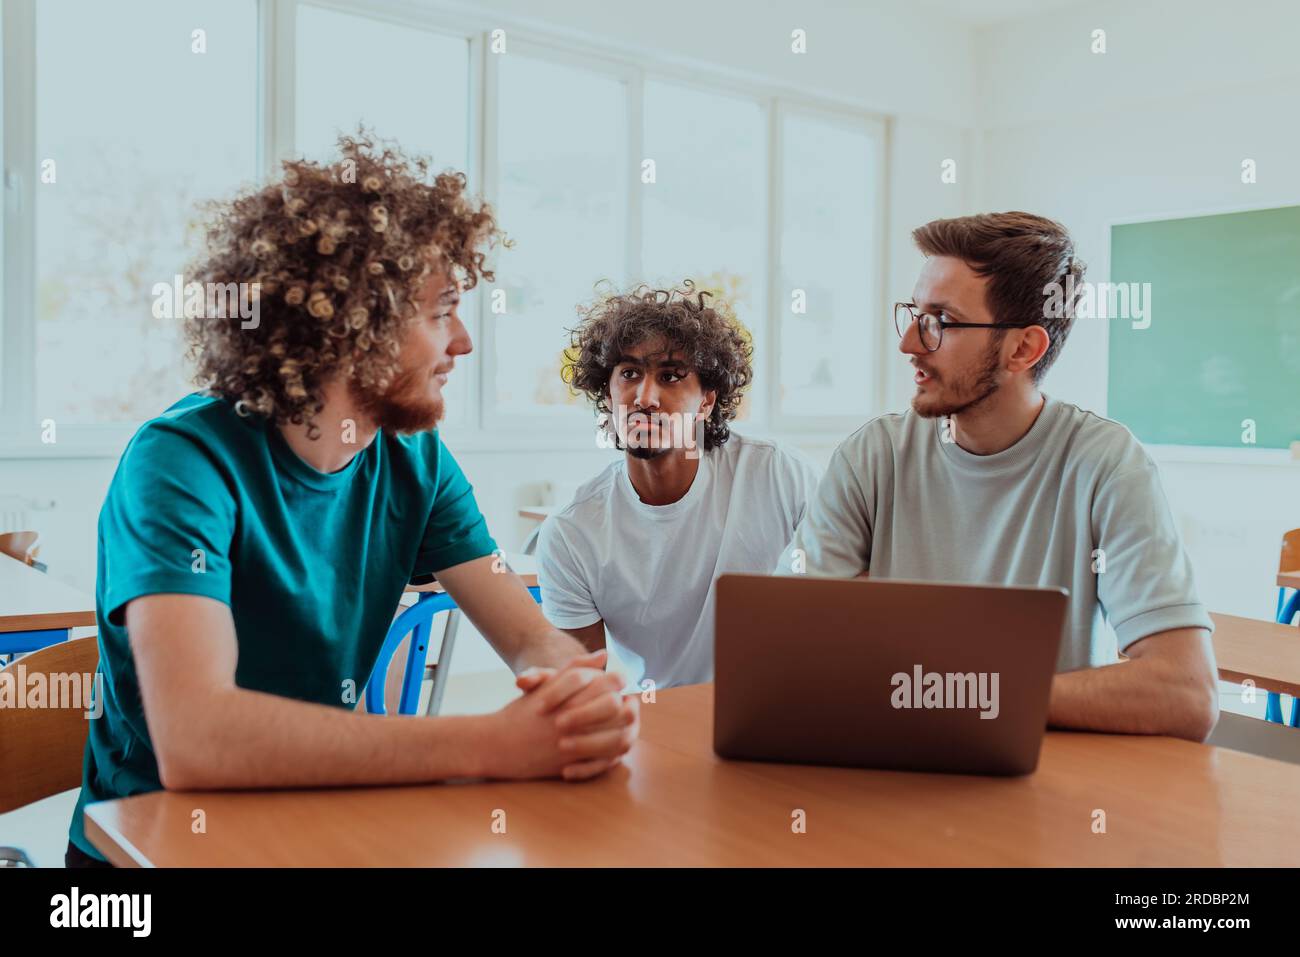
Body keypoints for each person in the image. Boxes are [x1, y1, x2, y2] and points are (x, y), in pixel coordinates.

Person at [68, 134, 637, 867]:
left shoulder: (416, 457)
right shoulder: (181, 462)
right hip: (149, 857)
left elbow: (529, 636)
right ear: (352, 324)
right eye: (442, 311)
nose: (462, 341)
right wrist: (492, 743)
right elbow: (198, 739)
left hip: (320, 826)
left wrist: (580, 692)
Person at [780, 212, 1218, 742]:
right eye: (914, 315)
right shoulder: (872, 456)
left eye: (940, 321)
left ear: (1022, 349)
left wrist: (972, 695)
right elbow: (792, 644)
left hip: (1041, 785)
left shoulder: (1106, 463)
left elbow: (1187, 693)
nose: (910, 345)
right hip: (889, 768)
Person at [536, 283, 820, 689]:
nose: (645, 397)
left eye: (670, 376)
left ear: (706, 401)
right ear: (608, 391)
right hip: (660, 720)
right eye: (629, 374)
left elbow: (855, 595)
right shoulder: (570, 534)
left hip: (776, 708)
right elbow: (581, 690)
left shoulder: (780, 474)